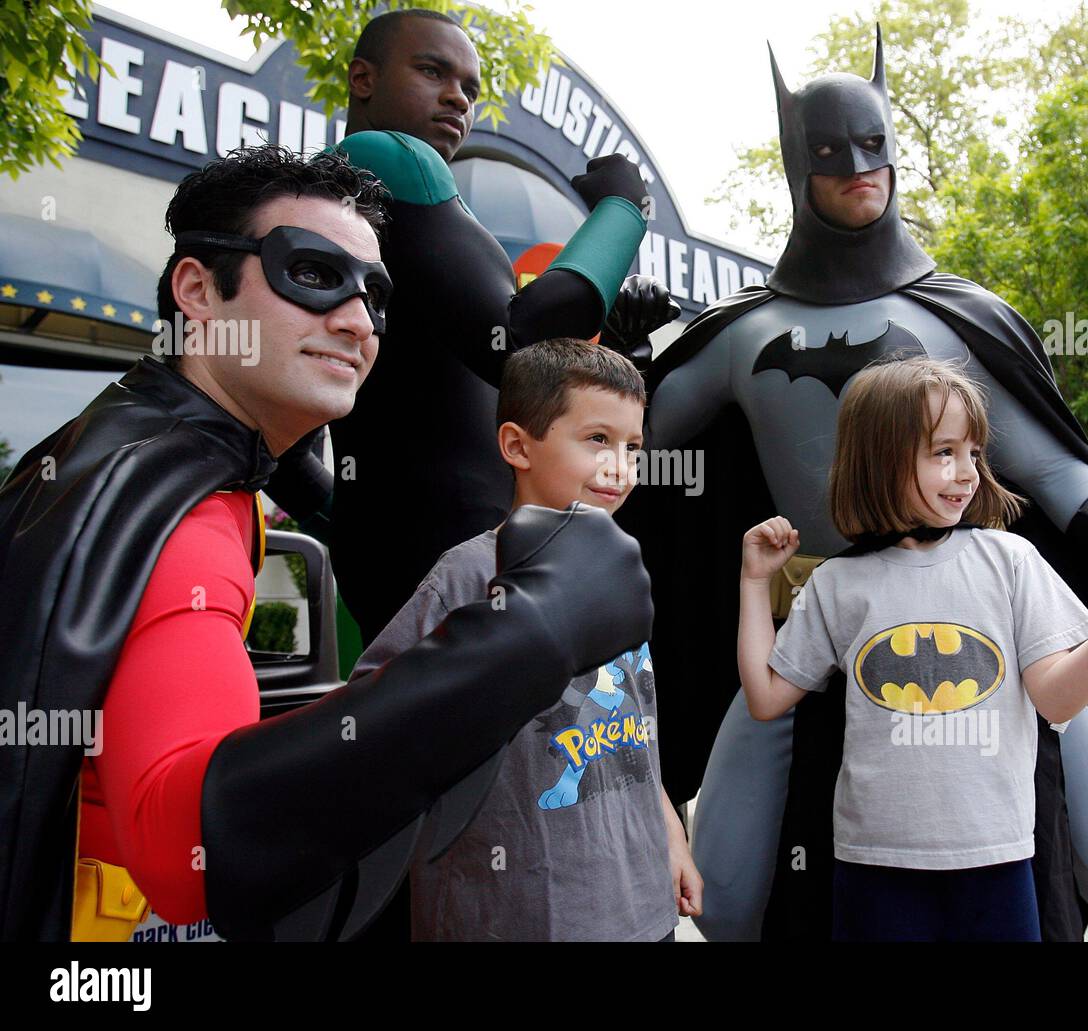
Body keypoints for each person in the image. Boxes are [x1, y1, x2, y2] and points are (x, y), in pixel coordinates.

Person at [616, 26, 1088, 941]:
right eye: (832, 153)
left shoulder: (955, 320)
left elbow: (1059, 471)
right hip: (815, 618)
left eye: (875, 148)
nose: (861, 168)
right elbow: (627, 449)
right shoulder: (743, 333)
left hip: (983, 622)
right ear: (797, 165)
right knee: (729, 898)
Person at [0, 146, 652, 941]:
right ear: (198, 290)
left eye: (376, 295)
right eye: (312, 274)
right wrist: (530, 633)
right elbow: (188, 854)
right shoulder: (188, 516)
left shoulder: (139, 454)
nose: (355, 319)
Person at [266, 8, 671, 648]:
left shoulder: (327, 204)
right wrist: (622, 207)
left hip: (393, 558)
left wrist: (351, 517)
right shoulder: (391, 162)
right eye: (432, 71)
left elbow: (286, 454)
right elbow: (512, 342)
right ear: (362, 78)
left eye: (471, 89)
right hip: (459, 558)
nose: (457, 96)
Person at [736, 358, 1088, 941]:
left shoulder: (1009, 561)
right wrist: (753, 583)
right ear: (881, 457)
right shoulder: (840, 585)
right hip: (872, 859)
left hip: (997, 852)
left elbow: (1058, 700)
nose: (966, 472)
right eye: (943, 452)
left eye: (973, 453)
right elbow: (765, 698)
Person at [352, 338, 702, 940]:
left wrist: (670, 837)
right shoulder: (466, 576)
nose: (619, 466)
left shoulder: (622, 574)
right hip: (515, 914)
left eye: (633, 447)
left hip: (642, 910)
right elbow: (366, 731)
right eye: (597, 440)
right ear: (518, 445)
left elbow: (636, 732)